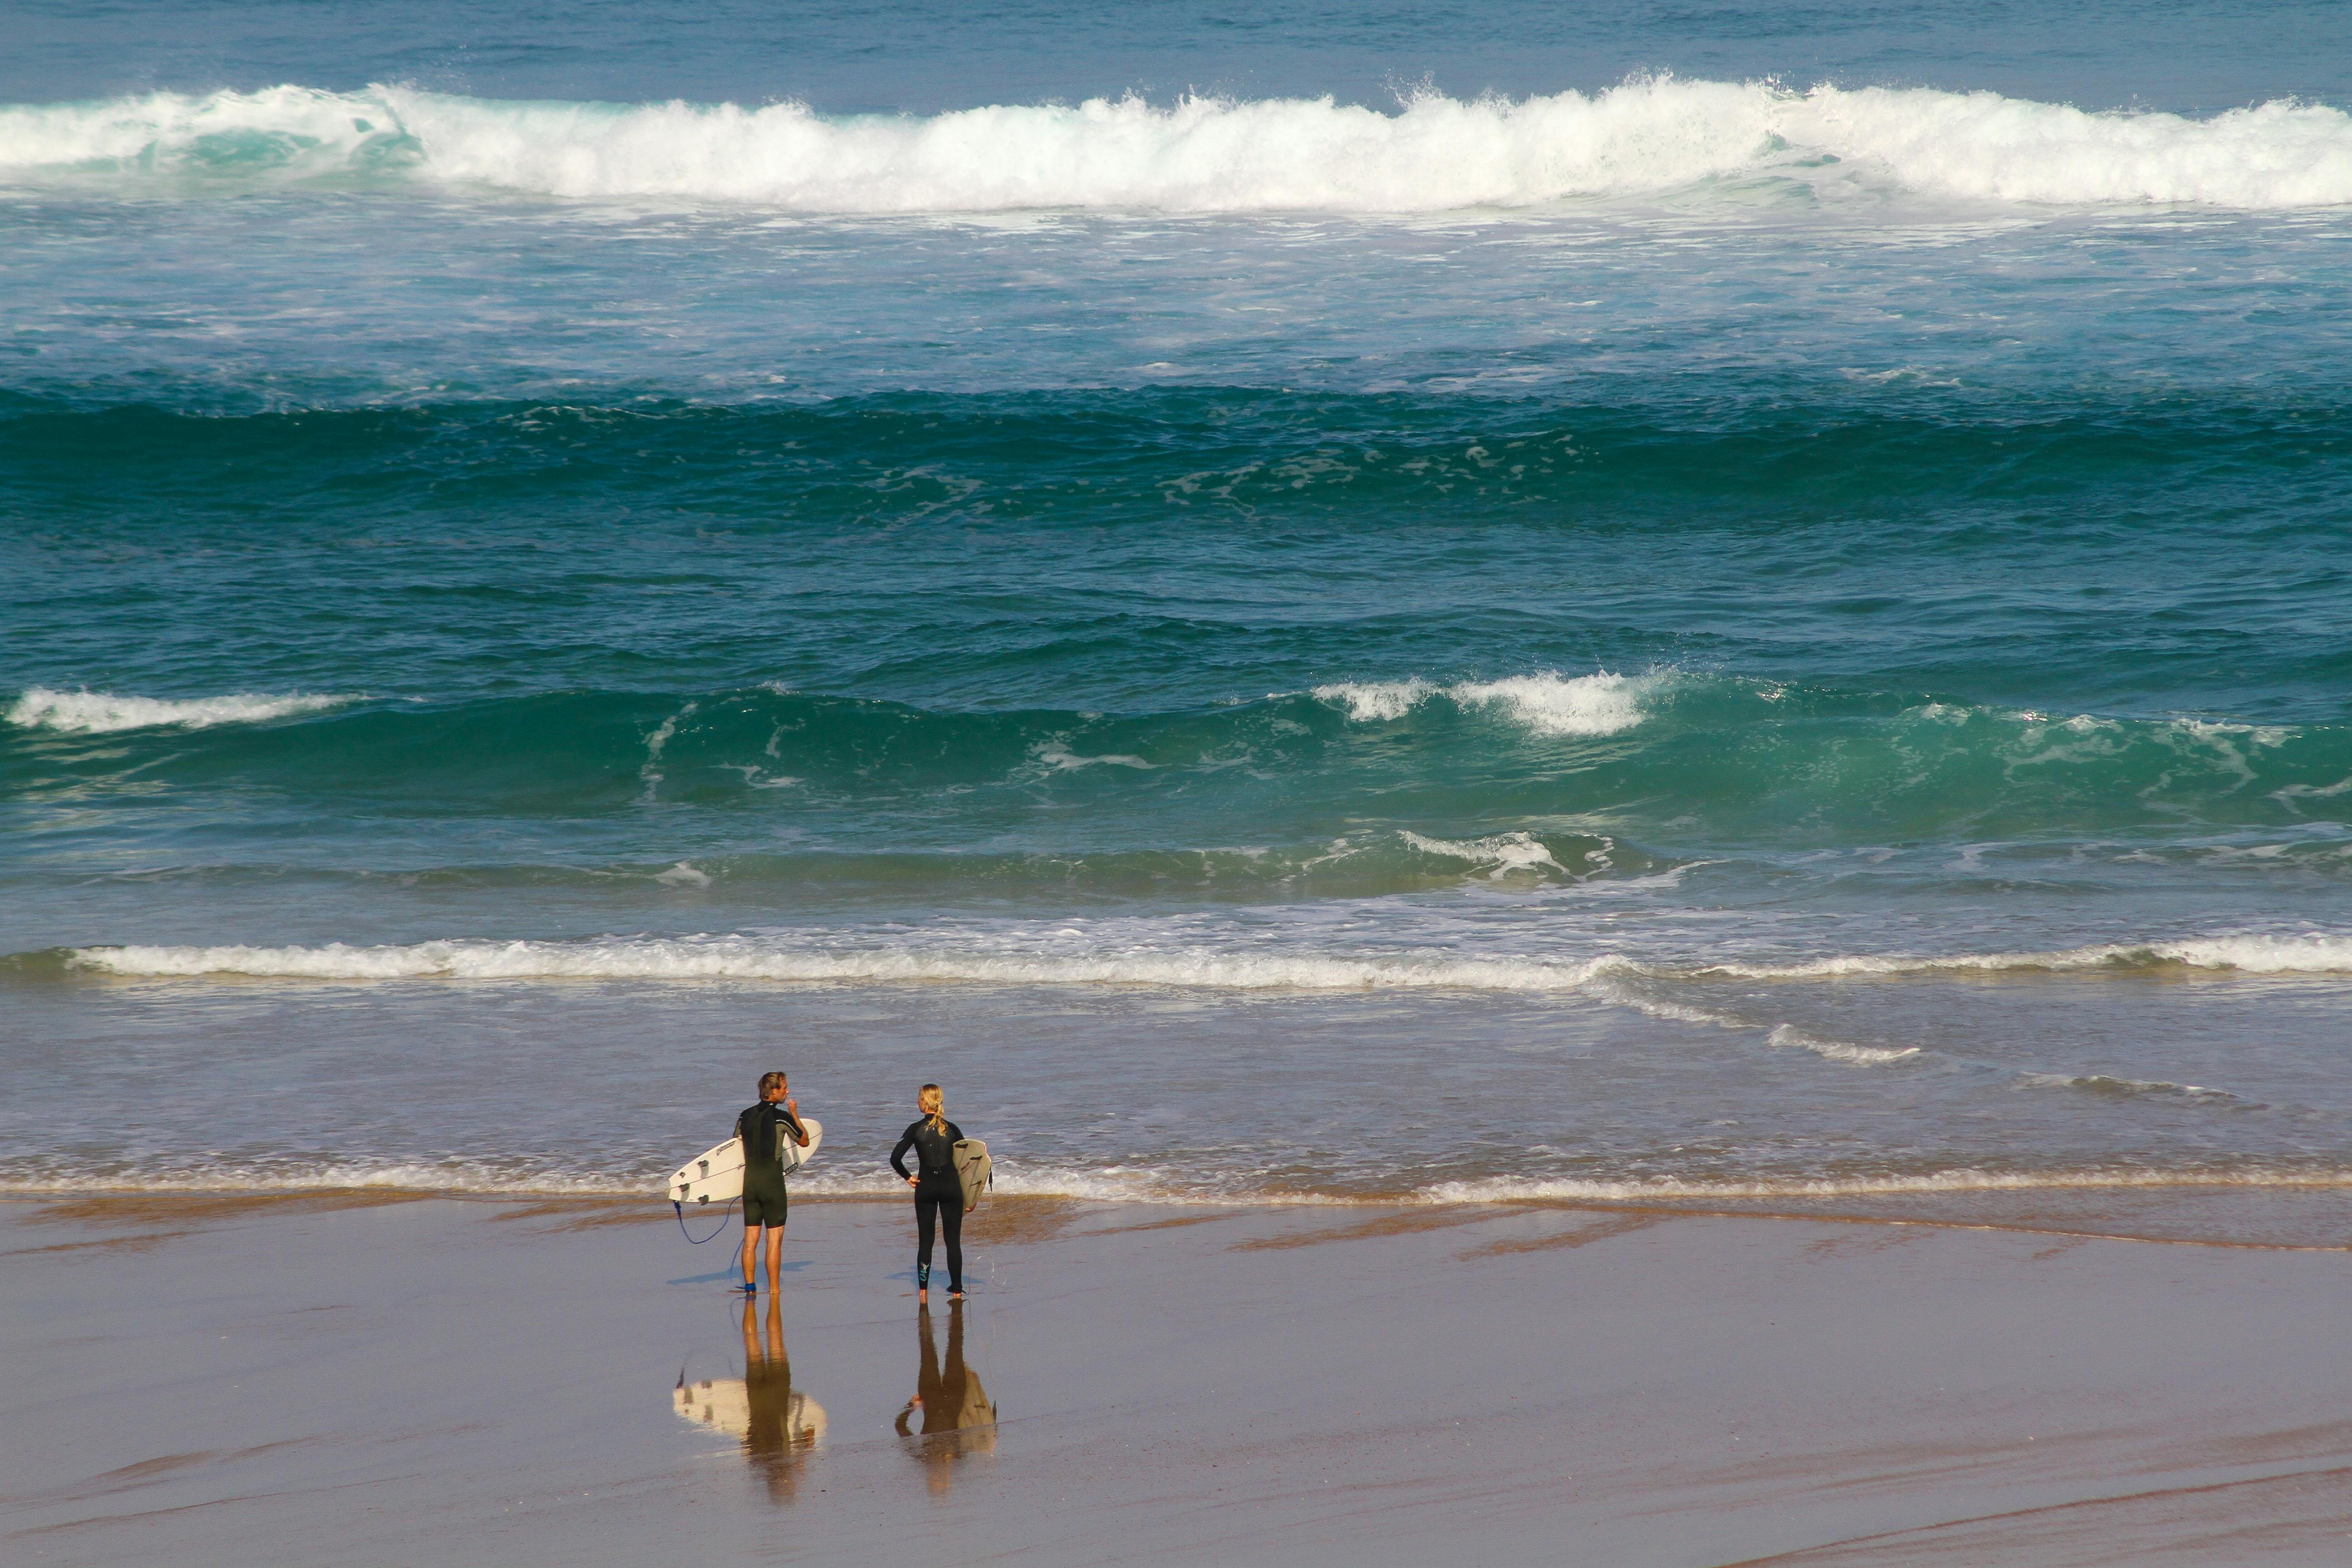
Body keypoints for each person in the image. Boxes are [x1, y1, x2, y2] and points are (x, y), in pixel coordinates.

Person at [894, 1300, 997, 1496]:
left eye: (938, 1480)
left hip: (932, 1393)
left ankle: (927, 1307)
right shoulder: (957, 1459)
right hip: (952, 1392)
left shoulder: (924, 1458)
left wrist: (911, 1406)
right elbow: (978, 1441)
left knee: (932, 1348)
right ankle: (954, 1307)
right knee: (948, 1346)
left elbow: (900, 1427)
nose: (942, 1476)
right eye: (943, 1481)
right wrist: (991, 1436)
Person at [889, 1083, 968, 1303]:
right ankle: (957, 1290)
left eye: (919, 1098)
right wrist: (972, 1196)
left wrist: (908, 1177)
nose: (918, 1102)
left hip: (926, 1189)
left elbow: (895, 1158)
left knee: (926, 1241)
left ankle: (923, 1291)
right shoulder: (953, 1129)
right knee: (953, 1242)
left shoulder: (915, 1129)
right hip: (952, 1188)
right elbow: (968, 1163)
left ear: (925, 1102)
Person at [737, 1071, 809, 1296]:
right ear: (774, 1091)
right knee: (774, 1240)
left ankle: (750, 1288)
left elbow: (734, 1148)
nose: (788, 1091)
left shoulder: (744, 1116)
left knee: (750, 1239)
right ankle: (775, 1292)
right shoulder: (781, 1117)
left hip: (750, 1184)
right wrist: (795, 1114)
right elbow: (805, 1141)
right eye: (785, 1087)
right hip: (772, 1184)